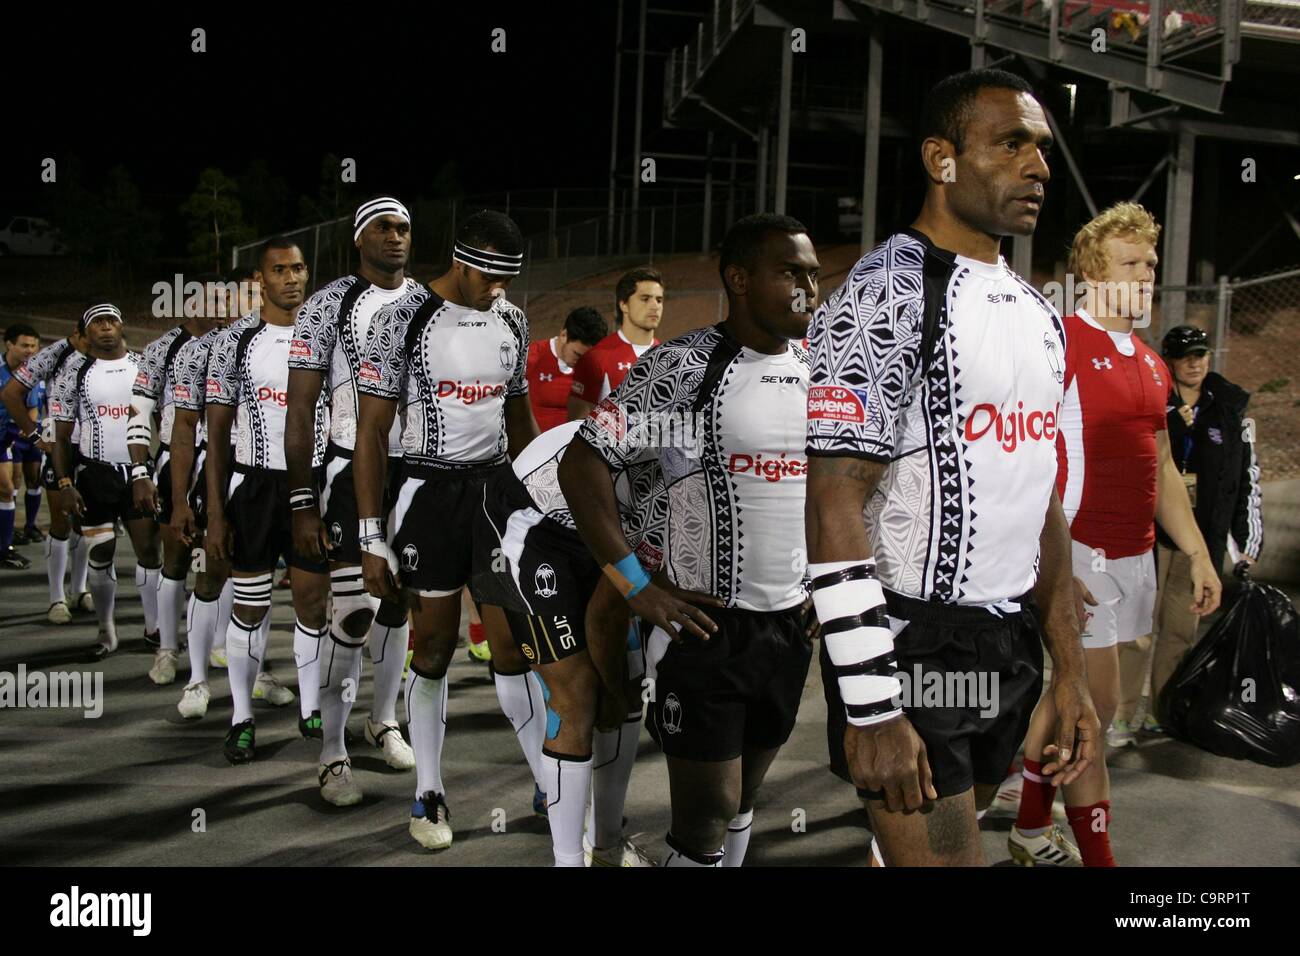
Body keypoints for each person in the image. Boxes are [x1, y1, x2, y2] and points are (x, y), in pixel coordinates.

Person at [806, 68, 1099, 867]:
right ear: (942, 160)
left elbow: (1041, 496)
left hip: (1007, 645)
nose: (1039, 167)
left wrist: (1068, 669)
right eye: (1012, 145)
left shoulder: (1038, 312)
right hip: (911, 649)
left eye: (1042, 148)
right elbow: (831, 501)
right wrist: (870, 707)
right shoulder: (883, 295)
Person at [561, 213, 821, 867]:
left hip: (789, 627)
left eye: (814, 276)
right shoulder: (681, 370)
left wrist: (822, 584)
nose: (808, 289)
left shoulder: (819, 373)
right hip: (703, 630)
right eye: (791, 272)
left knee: (743, 805)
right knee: (706, 817)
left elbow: (829, 492)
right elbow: (583, 464)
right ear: (738, 277)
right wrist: (636, 586)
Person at [1011, 202, 1221, 867]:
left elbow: (1159, 466)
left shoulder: (1154, 365)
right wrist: (1047, 553)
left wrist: (1197, 552)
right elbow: (1022, 454)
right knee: (1093, 706)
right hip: (1081, 551)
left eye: (1151, 264)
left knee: (1086, 703)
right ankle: (1099, 859)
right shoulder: (1062, 342)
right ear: (1093, 273)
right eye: (1131, 262)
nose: (1146, 274)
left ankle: (1027, 826)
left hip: (1135, 557)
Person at [353, 209, 544, 850]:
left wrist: (538, 501)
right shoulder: (399, 319)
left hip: (494, 493)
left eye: (508, 281)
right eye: (489, 278)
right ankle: (429, 793)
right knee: (433, 649)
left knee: (516, 646)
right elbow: (372, 431)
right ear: (461, 262)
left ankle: (550, 781)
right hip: (427, 492)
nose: (498, 292)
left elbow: (519, 420)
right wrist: (371, 536)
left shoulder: (512, 320)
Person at [475, 417, 665, 866]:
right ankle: (568, 860)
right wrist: (613, 692)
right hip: (530, 523)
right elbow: (606, 614)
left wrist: (622, 690)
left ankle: (607, 845)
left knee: (631, 679)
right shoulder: (667, 494)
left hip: (593, 518)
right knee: (577, 694)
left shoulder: (698, 481)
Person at [285, 197, 420, 805]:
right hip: (346, 472)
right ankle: (333, 752)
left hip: (417, 474)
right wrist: (302, 500)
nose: (396, 238)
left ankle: (382, 719)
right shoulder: (325, 305)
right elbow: (299, 406)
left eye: (404, 228)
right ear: (360, 239)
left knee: (399, 609)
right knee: (353, 616)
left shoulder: (428, 302)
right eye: (384, 229)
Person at [204, 239, 331, 763]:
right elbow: (215, 436)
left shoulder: (330, 335)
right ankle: (240, 717)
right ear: (260, 279)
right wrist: (214, 515)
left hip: (314, 485)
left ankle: (310, 706)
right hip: (253, 486)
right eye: (279, 270)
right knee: (250, 607)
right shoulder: (234, 341)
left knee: (312, 602)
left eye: (298, 268)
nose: (291, 278)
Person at [1112, 324, 1263, 737]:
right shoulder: (1152, 400)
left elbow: (1246, 479)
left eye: (1201, 353)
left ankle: (1164, 710)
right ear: (1170, 361)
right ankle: (1123, 713)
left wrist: (1246, 543)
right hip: (1151, 536)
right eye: (1186, 355)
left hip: (1202, 537)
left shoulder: (1230, 410)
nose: (1195, 362)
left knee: (1180, 630)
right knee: (1138, 629)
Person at [127, 291, 230, 685]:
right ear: (192, 306)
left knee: (221, 556)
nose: (222, 309)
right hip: (177, 460)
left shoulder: (234, 342)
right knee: (177, 557)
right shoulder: (162, 349)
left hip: (224, 460)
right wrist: (140, 471)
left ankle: (220, 644)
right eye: (214, 301)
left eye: (227, 301)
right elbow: (139, 411)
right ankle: (167, 649)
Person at [49, 305, 163, 657]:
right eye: (97, 323)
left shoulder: (144, 366)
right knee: (101, 552)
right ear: (85, 332)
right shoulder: (74, 372)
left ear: (121, 324)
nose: (106, 328)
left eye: (111, 320)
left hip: (138, 473)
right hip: (94, 473)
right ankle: (106, 631)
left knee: (148, 551)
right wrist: (65, 483)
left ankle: (153, 628)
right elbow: (61, 436)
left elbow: (164, 419)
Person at [165, 276, 249, 718]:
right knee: (209, 573)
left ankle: (253, 677)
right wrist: (179, 500)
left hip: (267, 477)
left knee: (254, 578)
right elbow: (183, 430)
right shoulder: (199, 352)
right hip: (216, 472)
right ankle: (197, 681)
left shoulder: (292, 343)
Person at [2, 328, 94, 617]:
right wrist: (34, 435)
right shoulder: (53, 355)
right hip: (58, 447)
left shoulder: (110, 356)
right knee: (60, 520)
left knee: (88, 523)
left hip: (94, 450)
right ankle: (57, 598)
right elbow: (11, 393)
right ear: (79, 333)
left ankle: (80, 590)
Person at [566, 267, 662, 421]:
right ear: (623, 304)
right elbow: (575, 426)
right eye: (645, 299)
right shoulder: (596, 358)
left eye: (659, 300)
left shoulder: (669, 357)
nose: (655, 306)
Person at [0, 324, 43, 567]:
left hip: (6, 438)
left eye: (32, 346)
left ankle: (4, 547)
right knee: (7, 488)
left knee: (8, 489)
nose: (29, 350)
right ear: (9, 344)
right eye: (24, 345)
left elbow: (32, 409)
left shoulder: (30, 374)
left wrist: (32, 431)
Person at [526, 306, 606, 431]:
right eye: (577, 354)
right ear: (564, 335)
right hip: (536, 445)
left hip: (571, 445)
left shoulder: (595, 368)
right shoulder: (532, 357)